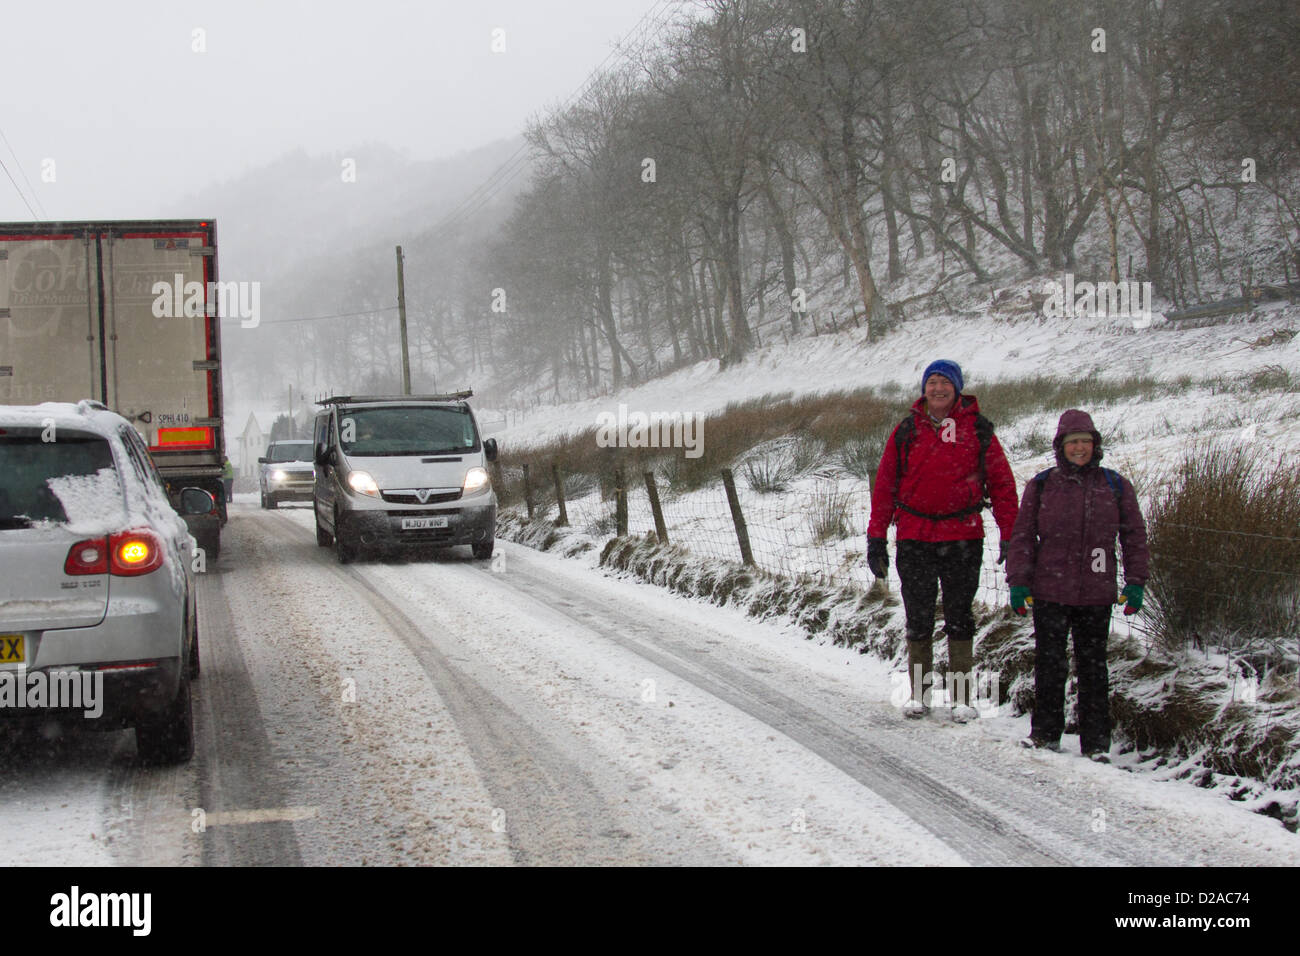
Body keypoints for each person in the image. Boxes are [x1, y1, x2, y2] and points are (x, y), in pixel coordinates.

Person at [867, 360, 1019, 720]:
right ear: (924, 389)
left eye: (944, 383)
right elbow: (885, 486)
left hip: (962, 535)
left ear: (957, 388)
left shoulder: (979, 430)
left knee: (959, 616)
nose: (937, 389)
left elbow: (1001, 486)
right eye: (932, 382)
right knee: (918, 616)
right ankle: (919, 693)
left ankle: (962, 698)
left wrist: (1011, 535)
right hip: (914, 537)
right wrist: (876, 535)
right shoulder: (906, 431)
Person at [1005, 409, 1149, 761]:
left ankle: (1097, 743)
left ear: (1095, 445)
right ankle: (1044, 735)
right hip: (1049, 591)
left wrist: (1135, 582)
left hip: (1096, 593)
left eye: (1086, 441)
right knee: (1050, 665)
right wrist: (1018, 582)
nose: (1080, 448)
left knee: (1093, 667)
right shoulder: (1041, 485)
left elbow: (1134, 536)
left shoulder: (1114, 485)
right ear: (1061, 446)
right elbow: (1022, 535)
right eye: (1073, 442)